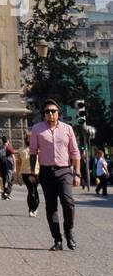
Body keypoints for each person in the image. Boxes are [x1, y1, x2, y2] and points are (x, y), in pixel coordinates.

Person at [29, 100, 81, 251]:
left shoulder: (67, 129)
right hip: (46, 172)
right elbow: (33, 152)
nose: (50, 114)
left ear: (58, 113)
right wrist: (33, 172)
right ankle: (57, 239)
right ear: (44, 114)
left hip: (64, 170)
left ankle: (68, 232)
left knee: (68, 202)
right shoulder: (37, 129)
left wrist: (77, 174)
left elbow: (75, 152)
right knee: (51, 207)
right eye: (47, 111)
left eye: (53, 111)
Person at [14, 133, 39, 216]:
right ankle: (32, 209)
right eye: (28, 139)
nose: (29, 140)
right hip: (25, 173)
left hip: (37, 173)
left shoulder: (38, 150)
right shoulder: (21, 150)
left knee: (34, 190)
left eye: (31, 139)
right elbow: (18, 163)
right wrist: (17, 175)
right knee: (31, 190)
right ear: (26, 140)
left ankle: (34, 207)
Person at [0, 134, 15, 199]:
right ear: (7, 141)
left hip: (1, 166)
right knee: (10, 179)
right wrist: (15, 167)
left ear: (2, 141)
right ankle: (7, 193)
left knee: (3, 180)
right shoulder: (9, 147)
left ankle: (3, 195)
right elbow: (13, 157)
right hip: (8, 166)